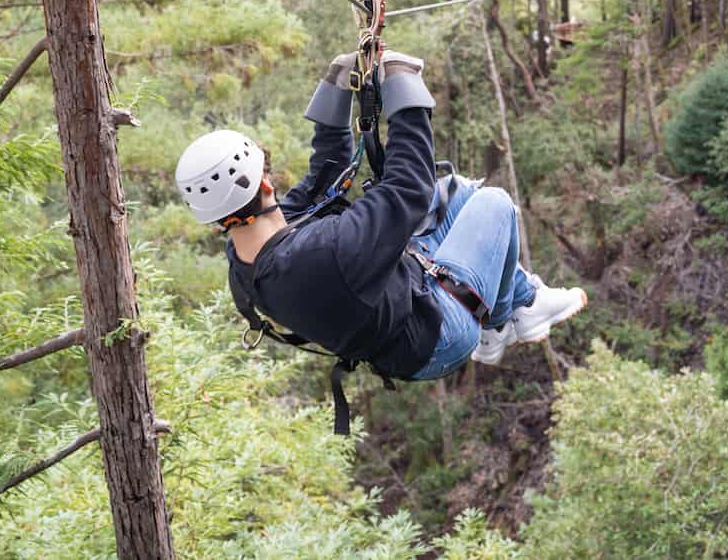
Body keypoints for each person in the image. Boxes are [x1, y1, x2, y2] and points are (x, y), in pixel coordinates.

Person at [175, 50, 587, 391]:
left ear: (217, 220)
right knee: (494, 205)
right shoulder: (323, 254)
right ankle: (501, 321)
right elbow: (407, 187)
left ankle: (521, 300)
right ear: (265, 181)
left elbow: (327, 174)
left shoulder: (247, 256)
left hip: (401, 301)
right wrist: (403, 89)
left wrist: (336, 84)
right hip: (439, 334)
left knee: (456, 193)